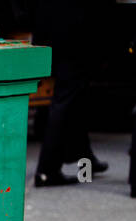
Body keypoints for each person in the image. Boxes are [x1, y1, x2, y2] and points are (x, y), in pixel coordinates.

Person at [32, 1, 116, 186]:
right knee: (67, 99)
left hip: (56, 30)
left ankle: (85, 160)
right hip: (77, 35)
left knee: (76, 97)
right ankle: (47, 170)